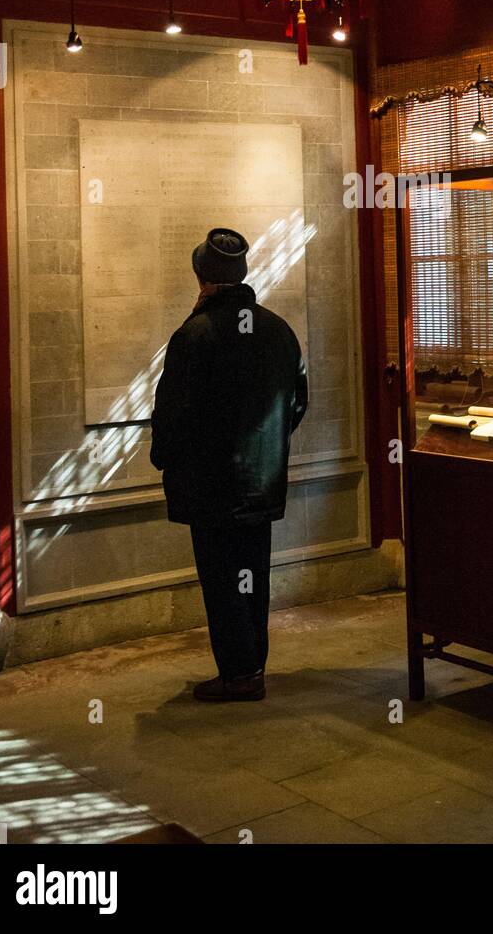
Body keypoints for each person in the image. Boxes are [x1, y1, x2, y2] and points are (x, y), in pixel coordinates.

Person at [150, 227, 308, 702]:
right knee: (252, 574)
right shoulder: (278, 329)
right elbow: (296, 404)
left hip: (210, 485)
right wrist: (266, 450)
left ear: (202, 277)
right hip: (261, 481)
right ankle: (251, 666)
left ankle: (239, 675)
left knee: (221, 580)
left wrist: (165, 459)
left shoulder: (193, 335)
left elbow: (173, 412)